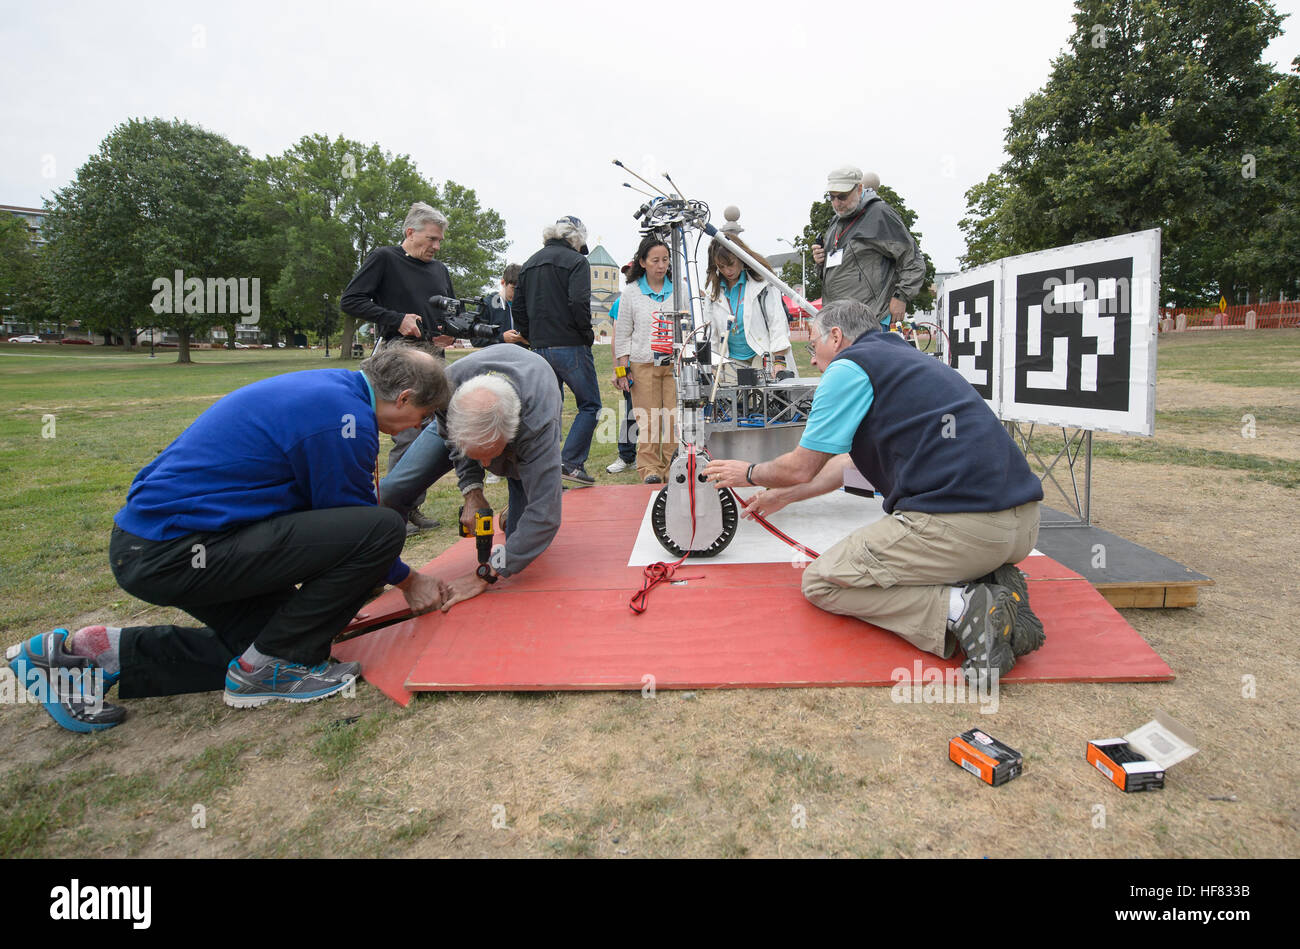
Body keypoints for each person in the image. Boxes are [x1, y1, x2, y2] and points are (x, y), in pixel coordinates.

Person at [6, 343, 452, 732]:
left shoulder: (332, 389)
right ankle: (272, 670)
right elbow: (355, 527)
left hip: (156, 545)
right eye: (423, 416)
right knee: (382, 528)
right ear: (405, 397)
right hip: (175, 551)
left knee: (277, 639)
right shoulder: (344, 418)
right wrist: (409, 582)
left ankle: (87, 656)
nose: (416, 427)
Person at [703, 300, 1046, 683]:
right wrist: (785, 495)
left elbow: (802, 465)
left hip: (964, 528)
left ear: (836, 336)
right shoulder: (905, 358)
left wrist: (747, 472)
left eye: (813, 346)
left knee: (822, 582)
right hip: (1022, 527)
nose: (813, 360)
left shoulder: (848, 369)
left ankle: (963, 607)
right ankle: (990, 580)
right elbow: (847, 462)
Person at [377, 344, 565, 609]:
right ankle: (375, 568)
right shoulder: (443, 391)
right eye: (479, 457)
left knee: (521, 541)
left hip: (526, 414)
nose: (487, 466)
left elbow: (545, 515)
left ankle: (513, 503)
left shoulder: (538, 426)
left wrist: (486, 573)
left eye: (491, 456)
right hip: (465, 419)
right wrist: (472, 490)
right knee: (392, 490)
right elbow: (456, 444)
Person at [341, 200, 457, 532]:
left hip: (434, 356)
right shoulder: (384, 258)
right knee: (407, 432)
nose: (436, 246)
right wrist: (397, 319)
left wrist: (448, 334)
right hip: (399, 356)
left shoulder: (440, 270)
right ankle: (393, 510)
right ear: (410, 232)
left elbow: (448, 313)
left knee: (437, 431)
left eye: (439, 241)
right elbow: (351, 300)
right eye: (431, 239)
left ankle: (411, 505)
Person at [512, 215, 602, 486]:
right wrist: (586, 333)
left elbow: (517, 308)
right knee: (590, 405)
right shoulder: (577, 262)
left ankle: (546, 470)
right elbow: (578, 301)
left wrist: (529, 336)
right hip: (571, 344)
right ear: (577, 240)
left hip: (539, 348)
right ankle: (571, 463)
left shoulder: (528, 264)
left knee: (548, 409)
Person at [811, 166, 925, 332]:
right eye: (832, 197)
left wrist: (901, 296)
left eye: (842, 196)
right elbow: (837, 270)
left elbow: (912, 259)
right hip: (839, 321)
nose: (836, 203)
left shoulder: (879, 213)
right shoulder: (837, 221)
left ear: (859, 189)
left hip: (870, 321)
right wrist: (820, 261)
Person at [612, 235, 678, 484]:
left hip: (673, 365)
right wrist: (622, 370)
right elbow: (623, 333)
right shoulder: (631, 292)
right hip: (642, 364)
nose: (661, 266)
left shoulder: (678, 289)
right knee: (647, 419)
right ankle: (650, 468)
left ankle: (673, 465)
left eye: (665, 260)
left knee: (673, 418)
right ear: (642, 262)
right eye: (655, 260)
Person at [700, 234, 795, 381]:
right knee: (734, 401)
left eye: (731, 264)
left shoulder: (763, 283)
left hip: (762, 351)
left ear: (740, 257)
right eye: (721, 267)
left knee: (761, 399)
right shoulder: (712, 292)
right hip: (731, 357)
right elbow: (710, 332)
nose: (727, 271)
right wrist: (711, 364)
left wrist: (779, 360)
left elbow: (777, 321)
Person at [604, 264, 638, 475]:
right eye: (626, 274)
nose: (629, 277)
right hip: (631, 366)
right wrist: (620, 372)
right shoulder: (621, 301)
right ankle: (627, 456)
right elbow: (616, 339)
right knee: (633, 413)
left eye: (631, 273)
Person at [478, 263, 527, 347]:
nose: (517, 294)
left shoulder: (526, 305)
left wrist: (526, 340)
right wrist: (502, 338)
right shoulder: (486, 304)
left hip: (521, 358)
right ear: (503, 282)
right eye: (513, 289)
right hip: (495, 358)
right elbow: (476, 340)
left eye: (521, 289)